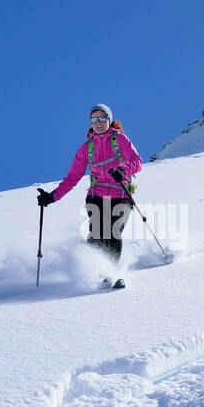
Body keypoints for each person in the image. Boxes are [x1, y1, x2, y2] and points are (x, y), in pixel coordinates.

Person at [37, 104, 144, 285]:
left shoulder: (120, 140)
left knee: (113, 231)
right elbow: (72, 178)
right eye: (94, 119)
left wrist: (123, 170)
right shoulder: (86, 148)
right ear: (90, 124)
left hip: (121, 195)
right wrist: (52, 197)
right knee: (98, 233)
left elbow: (137, 161)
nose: (99, 123)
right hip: (96, 196)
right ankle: (93, 266)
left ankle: (113, 273)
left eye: (103, 118)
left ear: (109, 120)